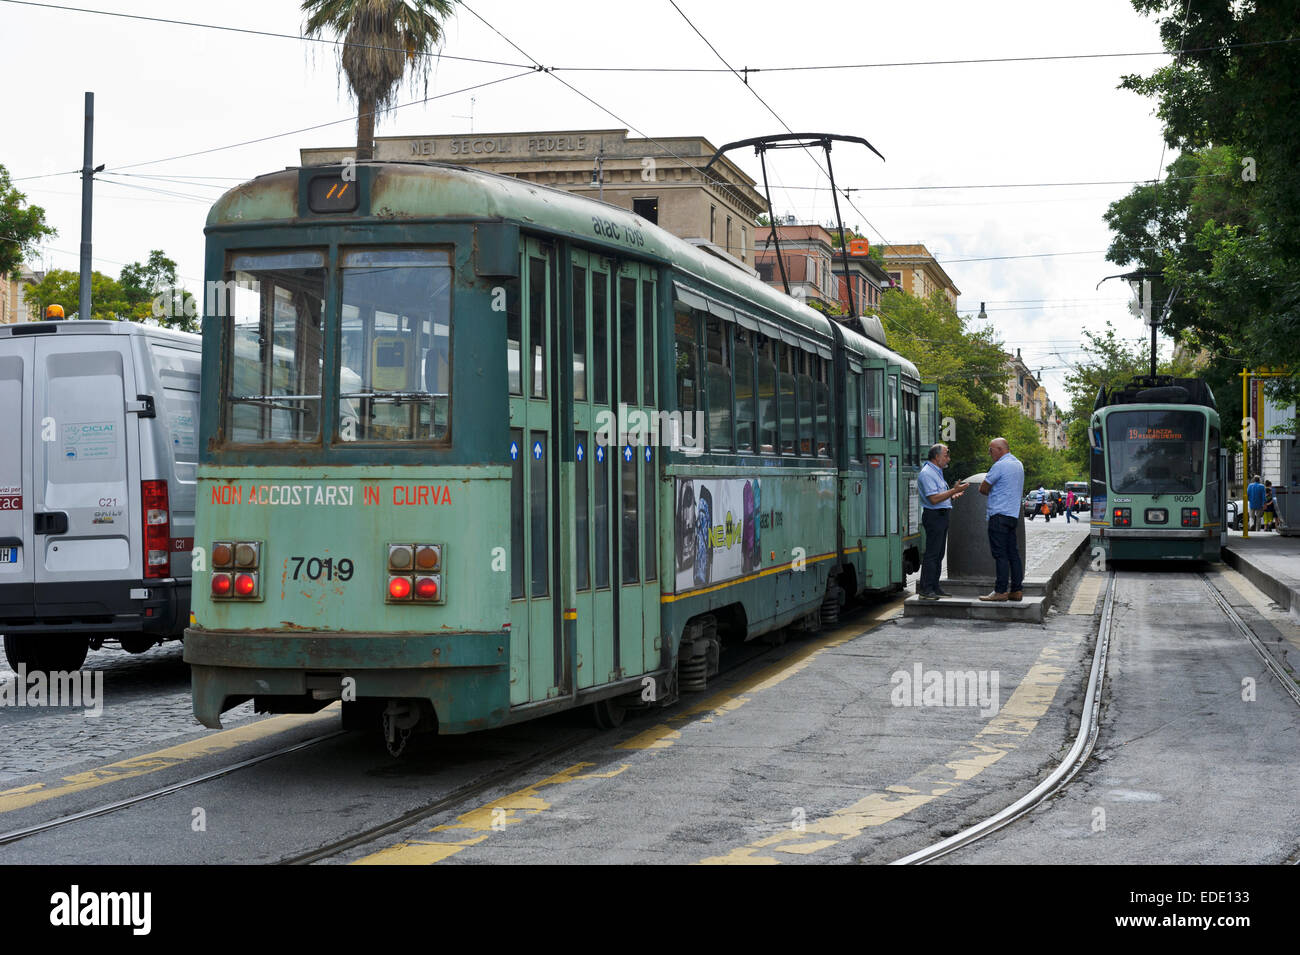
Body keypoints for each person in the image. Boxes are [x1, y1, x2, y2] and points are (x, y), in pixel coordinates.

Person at [916, 443, 967, 600]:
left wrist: (952, 496)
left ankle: (934, 586)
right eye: (946, 455)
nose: (948, 458)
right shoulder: (927, 473)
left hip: (941, 514)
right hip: (934, 516)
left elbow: (940, 496)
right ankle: (926, 589)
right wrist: (953, 490)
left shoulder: (936, 472)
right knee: (932, 553)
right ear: (936, 457)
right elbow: (933, 499)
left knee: (938, 554)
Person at [979, 437, 1025, 602]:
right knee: (1013, 553)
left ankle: (1000, 591)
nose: (990, 454)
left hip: (998, 515)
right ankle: (1017, 590)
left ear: (999, 449)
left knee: (1000, 555)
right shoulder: (1018, 464)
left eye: (990, 450)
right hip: (1012, 515)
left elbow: (983, 488)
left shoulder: (999, 465)